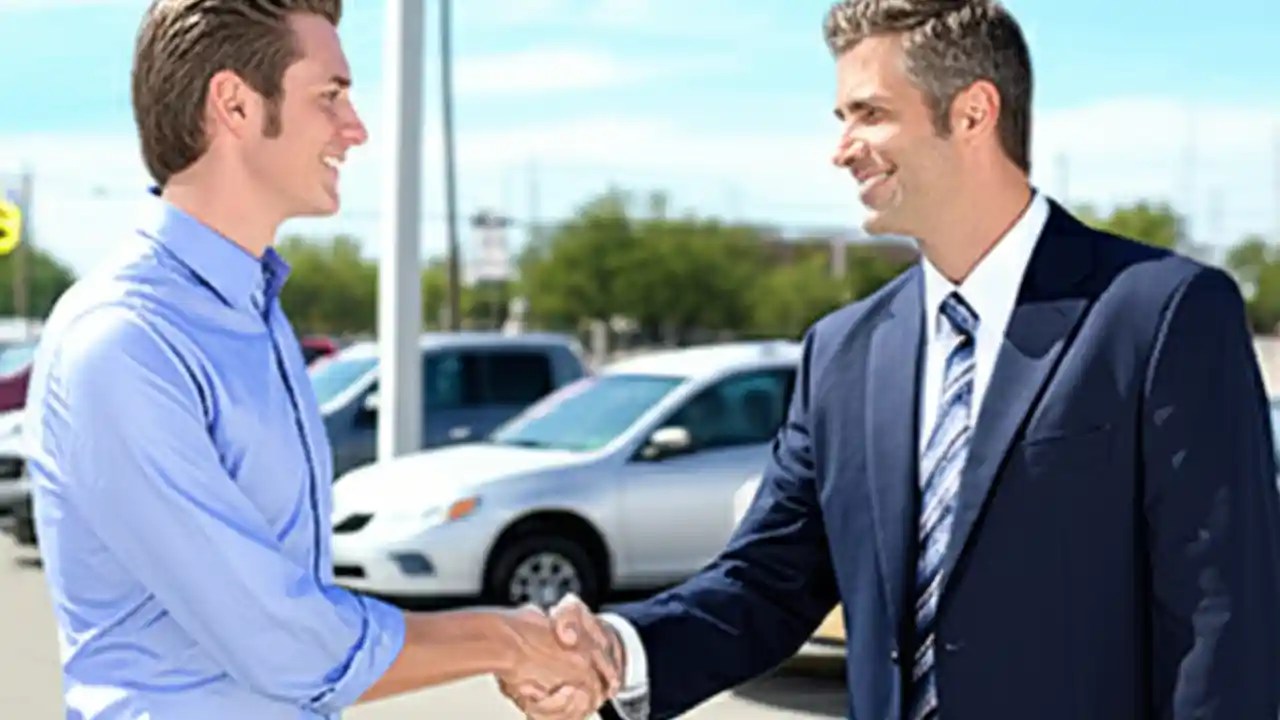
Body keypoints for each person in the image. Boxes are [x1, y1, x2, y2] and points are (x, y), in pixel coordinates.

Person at [504, 0, 1280, 718]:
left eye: (869, 114)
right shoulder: (841, 352)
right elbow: (767, 583)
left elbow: (1221, 614)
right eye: (842, 116)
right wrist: (618, 650)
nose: (841, 150)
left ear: (973, 112)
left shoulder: (1162, 313)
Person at [23, 2, 617, 718]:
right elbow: (279, 640)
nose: (355, 128)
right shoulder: (125, 339)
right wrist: (507, 639)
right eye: (329, 95)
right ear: (235, 104)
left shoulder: (254, 314)